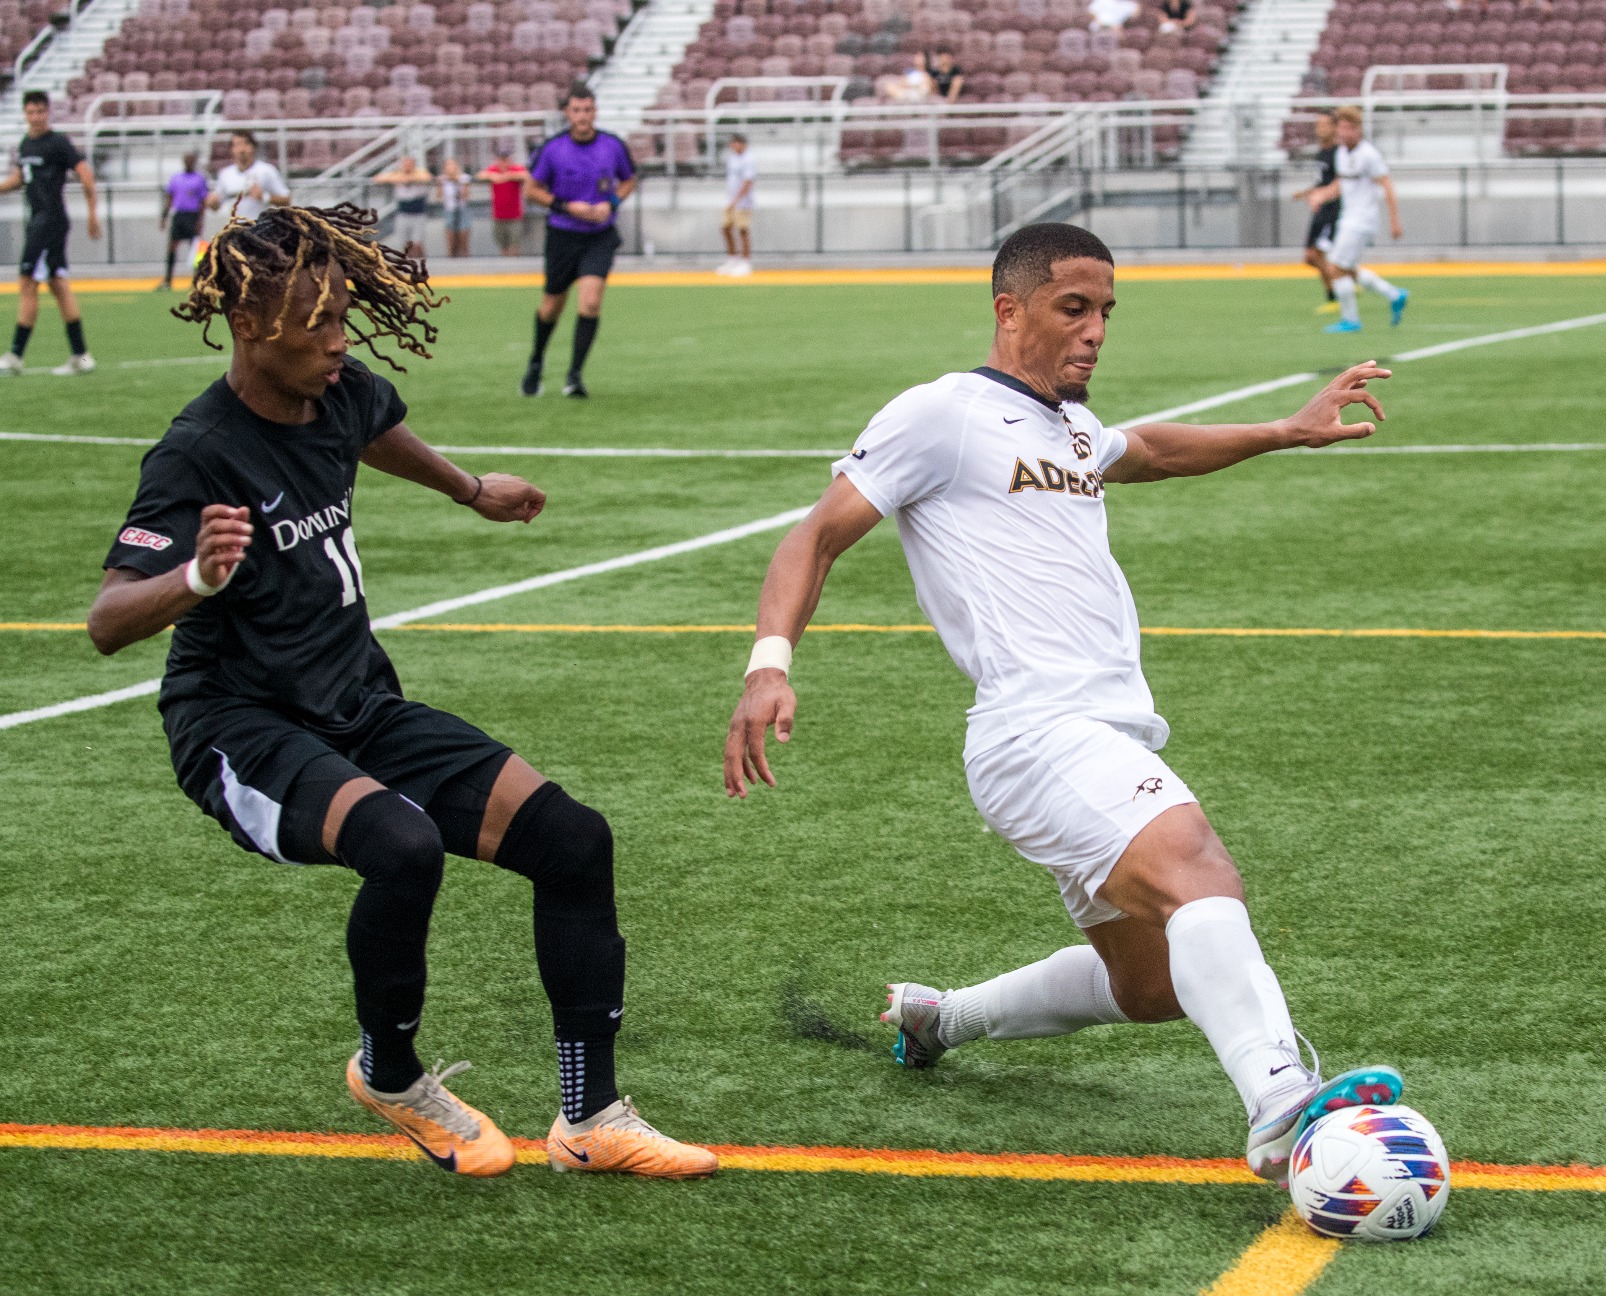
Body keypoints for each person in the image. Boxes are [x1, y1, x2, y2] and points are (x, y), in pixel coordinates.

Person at [721, 223, 1404, 1184]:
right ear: (1010, 310)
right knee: (1197, 867)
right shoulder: (943, 413)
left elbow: (1152, 450)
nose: (1095, 332)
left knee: (1156, 983)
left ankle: (938, 1018)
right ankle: (1280, 1100)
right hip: (1035, 730)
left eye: (1107, 313)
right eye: (1072, 309)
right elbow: (815, 537)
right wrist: (768, 664)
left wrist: (1284, 431)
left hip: (1098, 729)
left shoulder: (1070, 427)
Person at [89, 202, 717, 1181]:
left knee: (573, 841)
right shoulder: (197, 452)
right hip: (236, 727)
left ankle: (589, 1120)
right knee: (401, 843)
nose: (341, 341)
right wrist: (197, 580)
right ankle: (389, 1074)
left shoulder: (337, 390)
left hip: (356, 702)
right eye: (320, 325)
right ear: (252, 327)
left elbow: (375, 433)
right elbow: (105, 620)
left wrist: (468, 488)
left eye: (345, 316)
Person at [521, 83, 635, 400]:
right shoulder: (552, 148)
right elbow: (531, 189)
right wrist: (565, 206)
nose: (583, 116)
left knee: (590, 301)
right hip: (562, 235)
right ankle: (536, 361)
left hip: (599, 236)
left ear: (594, 112)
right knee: (551, 307)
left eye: (588, 110)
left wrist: (610, 203)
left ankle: (574, 376)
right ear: (567, 113)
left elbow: (629, 179)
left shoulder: (613, 146)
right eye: (576, 111)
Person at [0, 89, 101, 377]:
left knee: (27, 281)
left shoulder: (58, 143)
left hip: (50, 221)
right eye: (30, 112)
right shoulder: (25, 145)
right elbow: (19, 179)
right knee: (57, 284)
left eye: (40, 112)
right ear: (25, 114)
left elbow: (85, 173)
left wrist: (93, 214)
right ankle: (81, 356)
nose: (35, 117)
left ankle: (16, 355)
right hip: (38, 221)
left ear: (48, 113)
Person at [1314, 106, 1405, 335]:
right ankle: (1394, 294)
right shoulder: (1341, 153)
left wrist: (1395, 220)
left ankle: (1351, 319)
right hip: (1348, 218)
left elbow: (1387, 185)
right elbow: (1341, 184)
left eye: (1348, 128)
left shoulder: (1369, 155)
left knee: (1335, 267)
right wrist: (1322, 195)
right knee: (1347, 268)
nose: (1343, 133)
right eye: (1341, 127)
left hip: (1362, 220)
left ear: (1358, 129)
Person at [1293, 110, 1344, 314]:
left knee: (1318, 254)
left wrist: (1323, 195)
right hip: (1320, 210)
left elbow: (1339, 183)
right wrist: (1307, 192)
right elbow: (1323, 182)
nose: (1320, 129)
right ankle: (1343, 284)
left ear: (1334, 128)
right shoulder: (1321, 153)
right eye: (1317, 125)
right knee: (1309, 257)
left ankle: (1337, 293)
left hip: (1333, 210)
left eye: (1324, 125)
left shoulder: (1339, 153)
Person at [209, 129, 290, 223]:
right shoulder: (225, 174)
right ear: (232, 149)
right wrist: (212, 203)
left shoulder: (266, 171)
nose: (242, 149)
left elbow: (286, 200)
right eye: (237, 145)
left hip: (260, 228)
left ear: (253, 147)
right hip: (236, 230)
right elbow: (216, 206)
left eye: (246, 144)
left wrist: (264, 197)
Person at [160, 151, 208, 292]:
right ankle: (168, 280)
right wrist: (164, 216)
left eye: (191, 160)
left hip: (192, 216)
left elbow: (203, 202)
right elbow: (169, 198)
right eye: (186, 159)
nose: (189, 162)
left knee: (197, 249)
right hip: (179, 215)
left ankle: (198, 280)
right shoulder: (176, 178)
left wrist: (200, 220)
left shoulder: (199, 179)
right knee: (172, 246)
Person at [372, 155, 433, 260]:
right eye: (405, 164)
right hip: (403, 212)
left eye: (409, 164)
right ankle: (410, 263)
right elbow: (377, 178)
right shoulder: (398, 174)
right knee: (405, 243)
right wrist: (400, 178)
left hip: (418, 213)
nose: (407, 166)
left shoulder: (420, 173)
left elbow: (428, 177)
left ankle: (422, 262)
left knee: (417, 243)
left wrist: (409, 178)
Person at [477, 145, 530, 257]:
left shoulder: (515, 169)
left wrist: (508, 176)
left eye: (506, 158)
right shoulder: (493, 170)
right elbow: (480, 176)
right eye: (501, 159)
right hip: (498, 216)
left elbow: (527, 176)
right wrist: (492, 176)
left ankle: (515, 269)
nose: (504, 161)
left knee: (515, 244)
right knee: (503, 245)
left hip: (515, 216)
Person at [718, 134, 755, 277]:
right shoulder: (733, 159)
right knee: (725, 227)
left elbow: (748, 181)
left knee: (742, 230)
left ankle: (745, 262)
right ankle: (732, 259)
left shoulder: (749, 159)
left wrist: (737, 199)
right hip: (730, 199)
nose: (733, 146)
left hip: (743, 201)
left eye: (736, 143)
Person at [438, 159, 471, 259]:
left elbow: (465, 195)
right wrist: (441, 183)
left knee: (463, 241)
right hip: (449, 210)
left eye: (452, 165)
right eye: (448, 165)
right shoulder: (442, 179)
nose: (450, 168)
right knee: (451, 243)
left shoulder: (464, 178)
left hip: (462, 210)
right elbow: (439, 196)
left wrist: (457, 180)